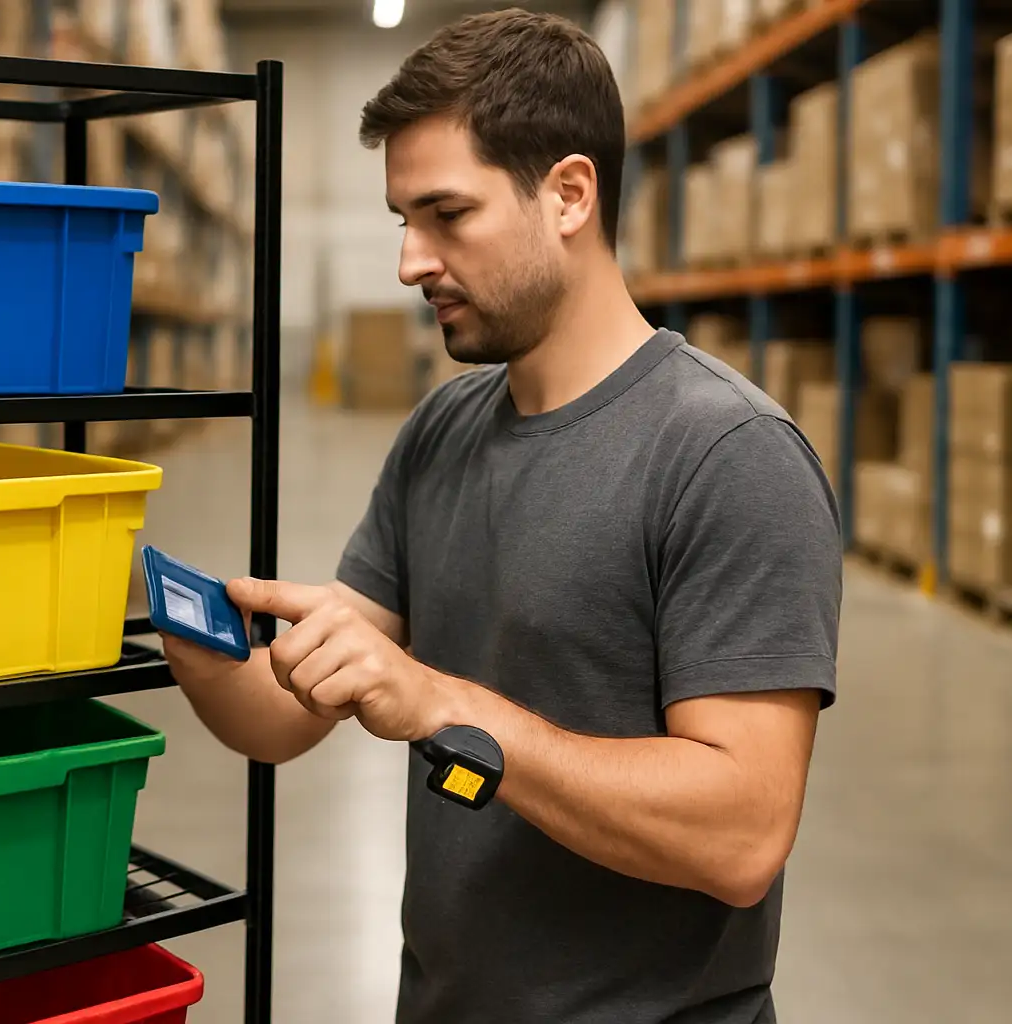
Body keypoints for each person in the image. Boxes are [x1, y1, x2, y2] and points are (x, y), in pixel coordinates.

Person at [162, 9, 842, 1024]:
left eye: (447, 214)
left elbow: (740, 837)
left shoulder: (726, 455)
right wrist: (184, 631)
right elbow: (279, 719)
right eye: (403, 219)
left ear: (568, 194)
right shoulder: (442, 431)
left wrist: (441, 705)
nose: (410, 261)